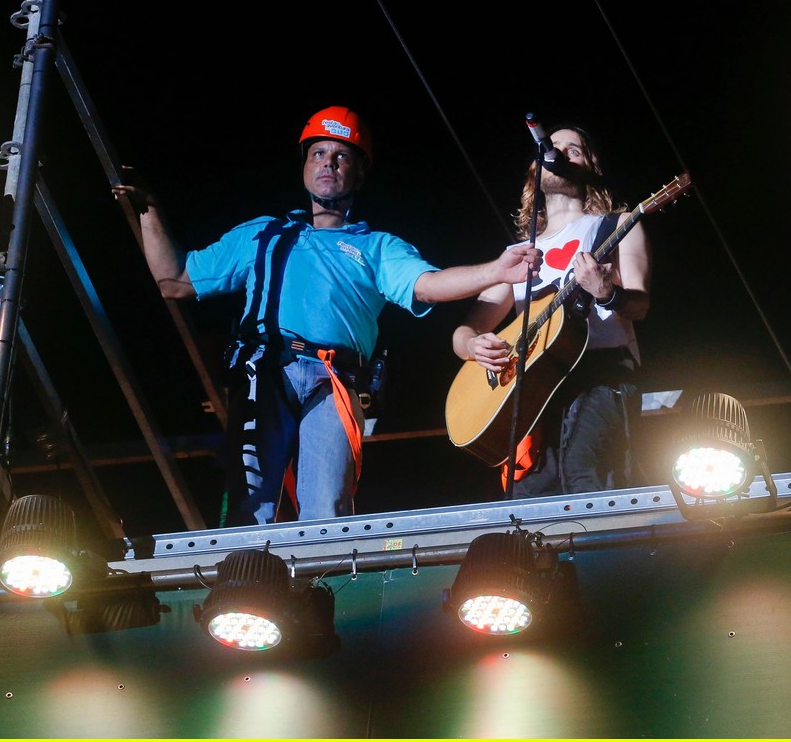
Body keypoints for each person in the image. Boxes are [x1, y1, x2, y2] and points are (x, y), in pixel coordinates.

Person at [112, 105, 541, 525]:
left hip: (335, 380)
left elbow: (426, 284)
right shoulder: (264, 235)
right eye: (318, 153)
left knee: (327, 512)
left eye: (341, 157)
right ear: (303, 166)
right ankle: (241, 585)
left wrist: (495, 269)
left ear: (359, 172)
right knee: (251, 504)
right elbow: (175, 280)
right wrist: (148, 211)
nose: (328, 164)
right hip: (266, 370)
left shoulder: (377, 247)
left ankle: (311, 593)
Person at [452, 125, 651, 496]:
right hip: (535, 384)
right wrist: (473, 347)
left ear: (589, 166)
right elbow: (465, 332)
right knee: (530, 489)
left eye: (572, 150)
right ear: (535, 171)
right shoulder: (519, 253)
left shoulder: (617, 226)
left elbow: (639, 304)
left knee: (586, 475)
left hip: (601, 372)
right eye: (551, 147)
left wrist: (607, 293)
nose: (558, 153)